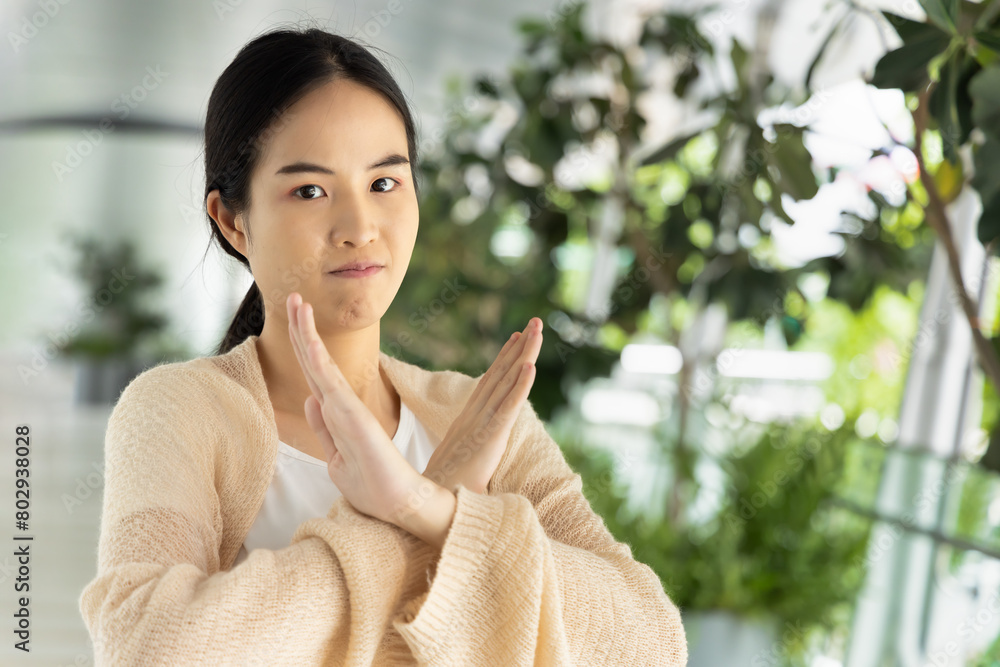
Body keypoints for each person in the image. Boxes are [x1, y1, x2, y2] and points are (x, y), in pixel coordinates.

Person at [78, 25, 687, 666]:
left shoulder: (475, 415)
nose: (360, 227)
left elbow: (650, 641)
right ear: (233, 220)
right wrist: (404, 521)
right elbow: (152, 647)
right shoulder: (180, 409)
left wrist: (433, 509)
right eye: (309, 190)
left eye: (385, 183)